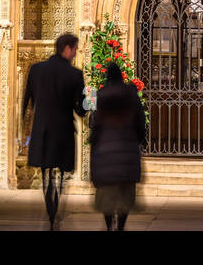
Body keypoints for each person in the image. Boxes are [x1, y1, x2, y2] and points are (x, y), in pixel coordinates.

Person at [21, 31, 88, 229]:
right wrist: (90, 101)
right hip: (63, 131)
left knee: (46, 170)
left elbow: (27, 101)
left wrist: (23, 128)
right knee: (59, 171)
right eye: (75, 49)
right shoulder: (75, 74)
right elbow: (80, 110)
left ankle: (49, 203)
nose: (75, 53)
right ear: (67, 49)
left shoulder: (36, 70)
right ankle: (55, 203)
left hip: (42, 129)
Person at [89, 60, 147, 231]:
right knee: (125, 197)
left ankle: (109, 226)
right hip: (127, 152)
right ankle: (121, 226)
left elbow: (94, 123)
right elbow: (140, 123)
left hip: (105, 154)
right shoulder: (131, 95)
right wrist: (137, 141)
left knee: (106, 198)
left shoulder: (101, 95)